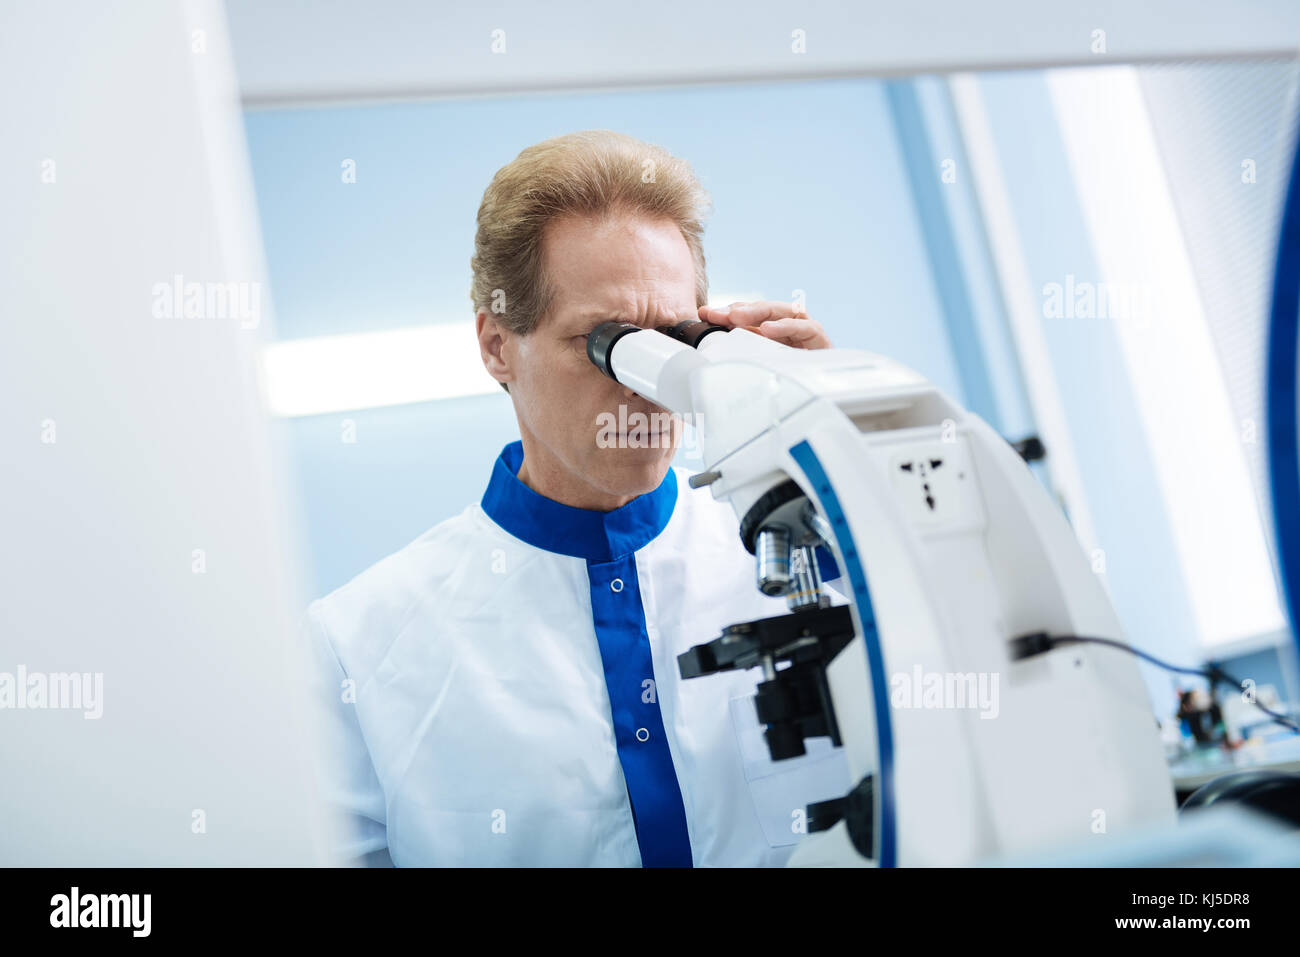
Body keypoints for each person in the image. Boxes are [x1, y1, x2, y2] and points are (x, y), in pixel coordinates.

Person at [299, 129, 846, 867]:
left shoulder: (812, 551)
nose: (647, 383)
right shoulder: (357, 648)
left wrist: (840, 449)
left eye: (672, 338)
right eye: (605, 342)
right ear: (497, 344)